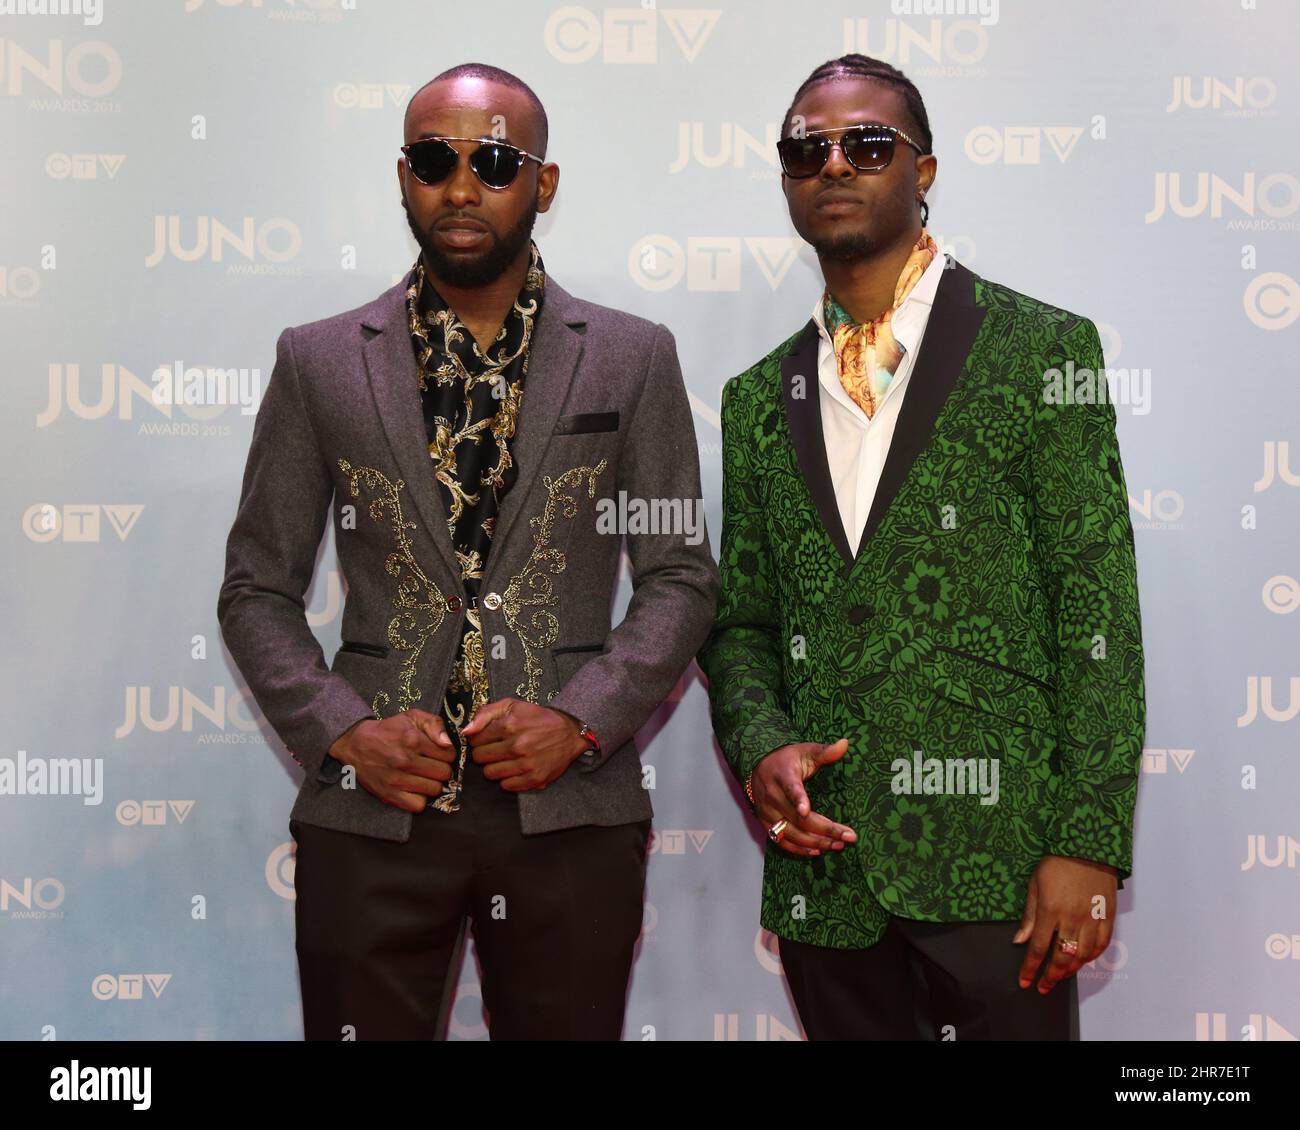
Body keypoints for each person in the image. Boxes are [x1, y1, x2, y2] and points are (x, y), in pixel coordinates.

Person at [217, 63, 718, 1040]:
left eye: (492, 162)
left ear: (543, 182)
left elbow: (680, 578)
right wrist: (344, 729)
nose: (459, 188)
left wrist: (579, 720)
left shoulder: (630, 355)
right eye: (432, 161)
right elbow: (255, 590)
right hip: (374, 806)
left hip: (567, 807)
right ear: (402, 176)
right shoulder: (319, 359)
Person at [697, 54, 1145, 1040]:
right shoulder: (758, 397)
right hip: (829, 878)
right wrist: (760, 743)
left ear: (924, 169)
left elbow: (1096, 609)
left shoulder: (1042, 349)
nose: (833, 165)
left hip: (1005, 866)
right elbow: (742, 625)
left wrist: (1088, 840)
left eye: (867, 144)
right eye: (805, 150)